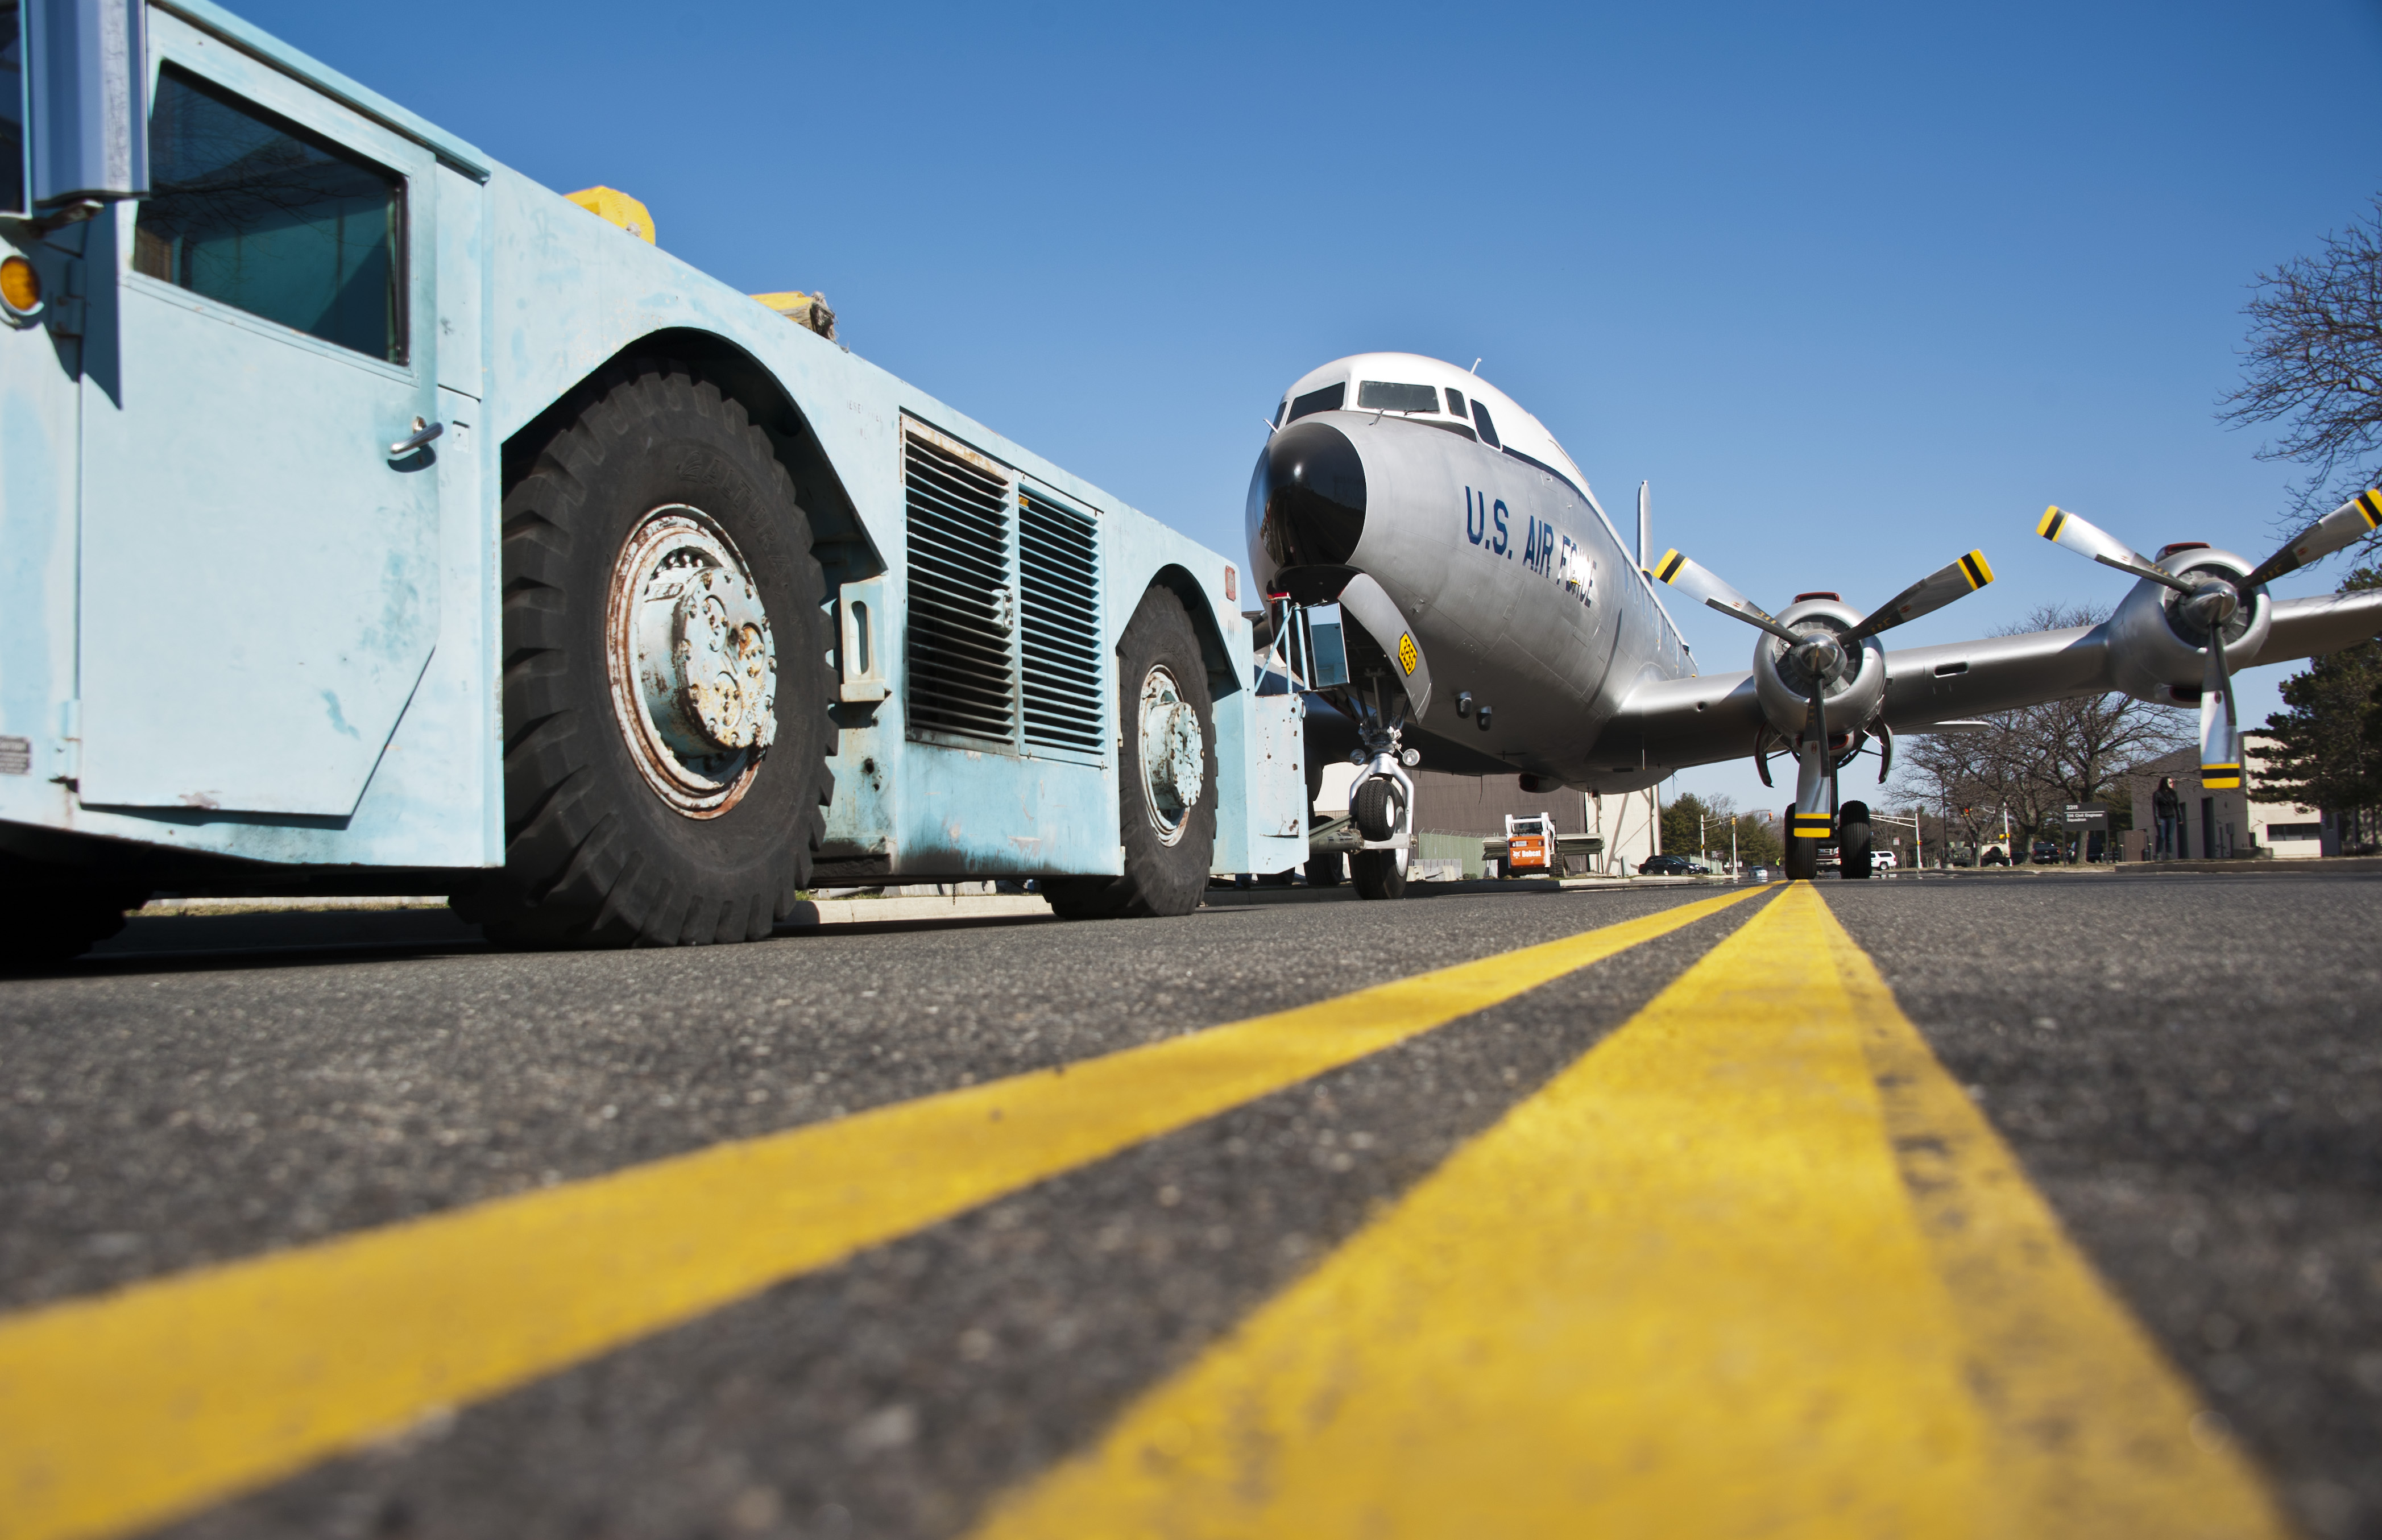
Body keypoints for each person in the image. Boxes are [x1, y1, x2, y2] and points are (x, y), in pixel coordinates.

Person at [2152, 776, 2181, 860]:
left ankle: (2169, 855)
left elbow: (2177, 807)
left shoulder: (2173, 794)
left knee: (2169, 837)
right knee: (2161, 836)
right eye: (2170, 783)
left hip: (2171, 817)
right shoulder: (2157, 794)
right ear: (2165, 784)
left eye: (2172, 783)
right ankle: (2158, 854)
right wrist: (2157, 819)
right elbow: (2155, 808)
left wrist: (2180, 818)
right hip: (2161, 818)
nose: (2172, 784)